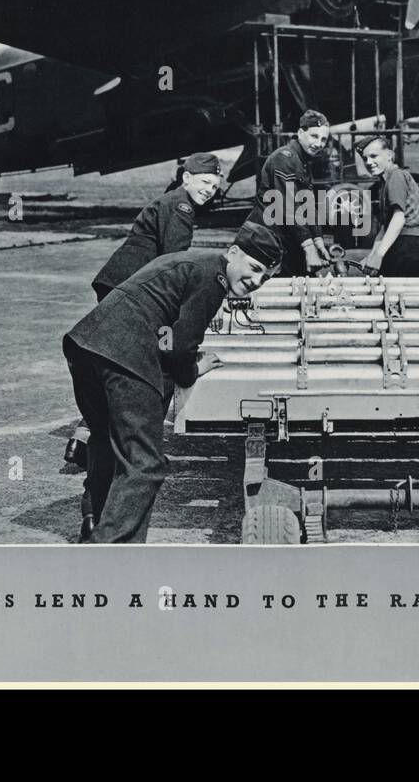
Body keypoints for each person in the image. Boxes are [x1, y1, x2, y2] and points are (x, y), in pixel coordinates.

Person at [63, 222, 282, 543]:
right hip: (125, 352)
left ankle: (94, 523)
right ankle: (103, 556)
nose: (256, 282)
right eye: (254, 268)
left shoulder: (195, 261)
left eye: (265, 277)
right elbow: (181, 346)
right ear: (233, 253)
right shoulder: (213, 277)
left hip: (86, 345)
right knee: (145, 465)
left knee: (106, 440)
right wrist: (193, 369)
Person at [90, 152, 222, 302]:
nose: (209, 190)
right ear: (186, 178)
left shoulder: (173, 198)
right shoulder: (181, 206)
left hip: (121, 279)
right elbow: (174, 256)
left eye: (214, 186)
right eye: (205, 181)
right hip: (128, 284)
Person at [246, 109, 333, 275]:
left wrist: (318, 240)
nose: (319, 144)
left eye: (323, 139)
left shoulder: (302, 161)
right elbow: (287, 205)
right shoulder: (284, 158)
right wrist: (309, 248)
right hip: (267, 241)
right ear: (300, 133)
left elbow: (307, 205)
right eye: (314, 136)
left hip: (287, 237)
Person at [355, 134, 419, 276]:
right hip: (405, 243)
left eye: (373, 156)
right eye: (365, 158)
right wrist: (371, 256)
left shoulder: (396, 176)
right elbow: (385, 227)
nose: (368, 162)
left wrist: (378, 256)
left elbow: (399, 218)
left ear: (389, 155)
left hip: (410, 244)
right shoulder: (384, 183)